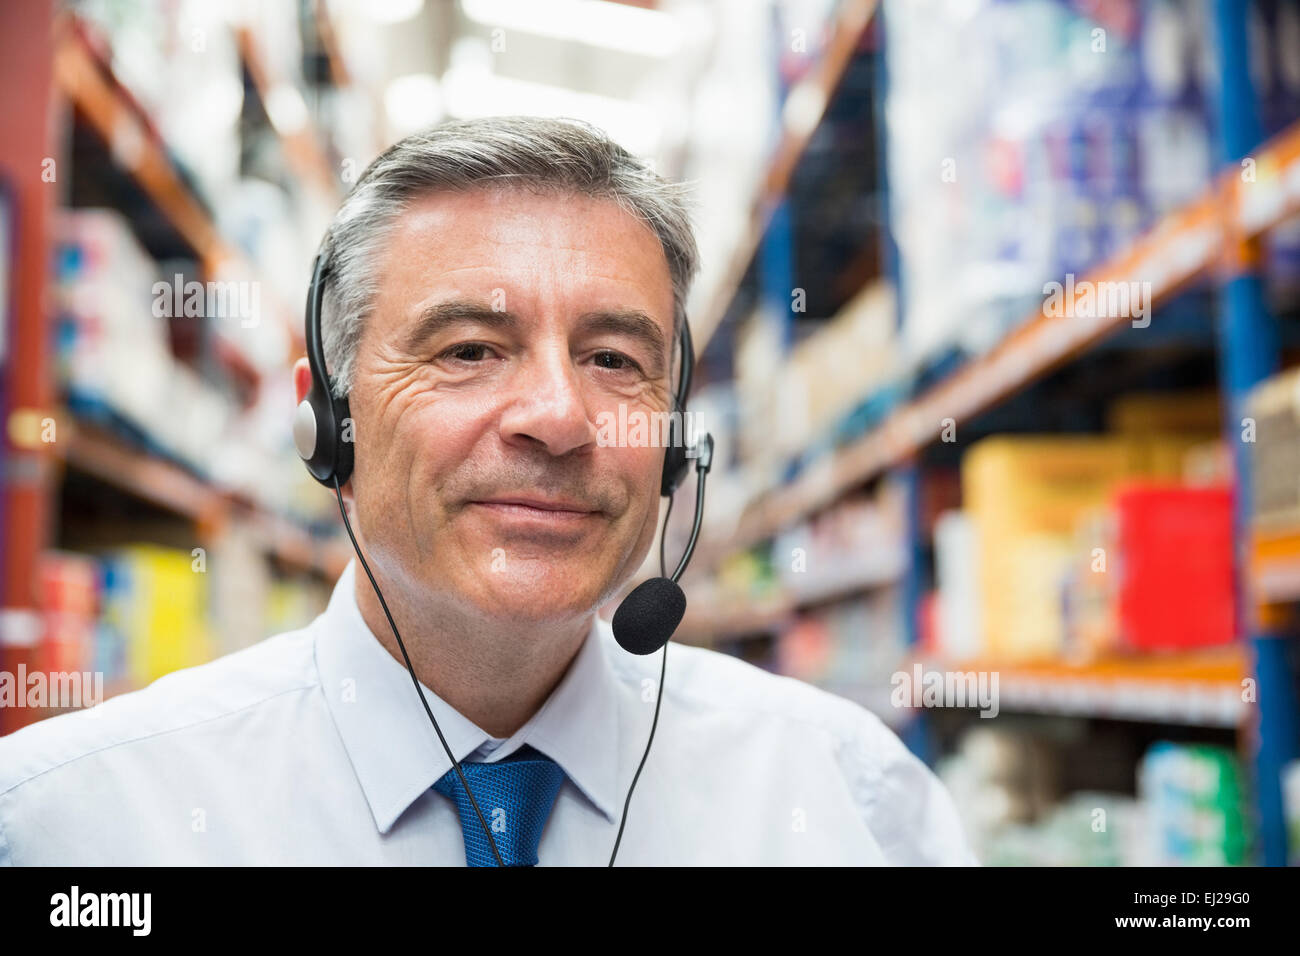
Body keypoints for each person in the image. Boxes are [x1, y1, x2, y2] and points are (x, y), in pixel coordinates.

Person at [0, 116, 976, 865]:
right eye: (468, 350)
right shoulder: (75, 820)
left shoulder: (855, 805)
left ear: (674, 445)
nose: (558, 416)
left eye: (612, 357)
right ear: (325, 423)